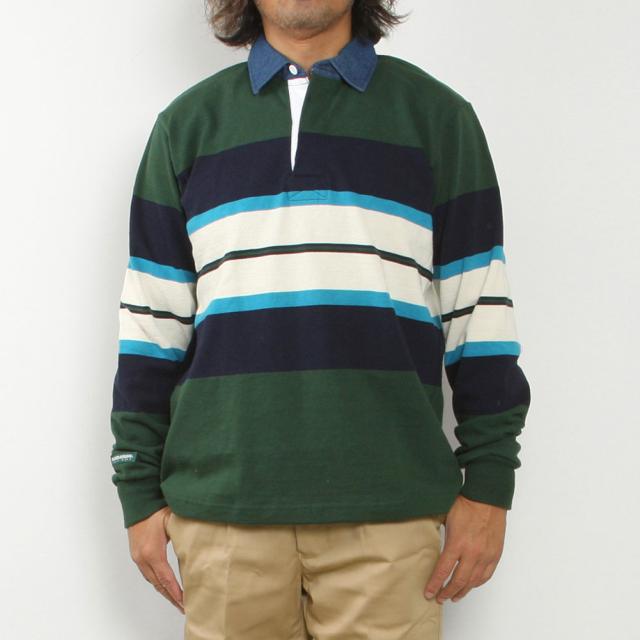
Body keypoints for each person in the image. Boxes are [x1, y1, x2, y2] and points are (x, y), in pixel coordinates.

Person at [109, 0, 532, 637]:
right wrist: (137, 489)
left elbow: (479, 312)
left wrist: (491, 484)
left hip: (390, 511)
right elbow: (151, 322)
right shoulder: (187, 126)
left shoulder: (437, 118)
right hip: (225, 513)